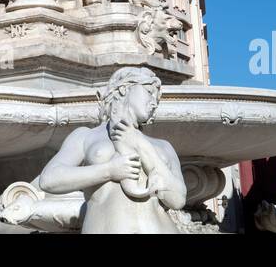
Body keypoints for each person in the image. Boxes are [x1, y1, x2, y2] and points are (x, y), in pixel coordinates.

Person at [38, 67, 186, 233]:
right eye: (149, 92)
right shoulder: (86, 137)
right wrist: (109, 170)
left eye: (157, 98)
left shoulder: (163, 146)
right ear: (124, 88)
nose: (154, 102)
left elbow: (178, 200)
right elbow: (48, 180)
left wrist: (142, 145)